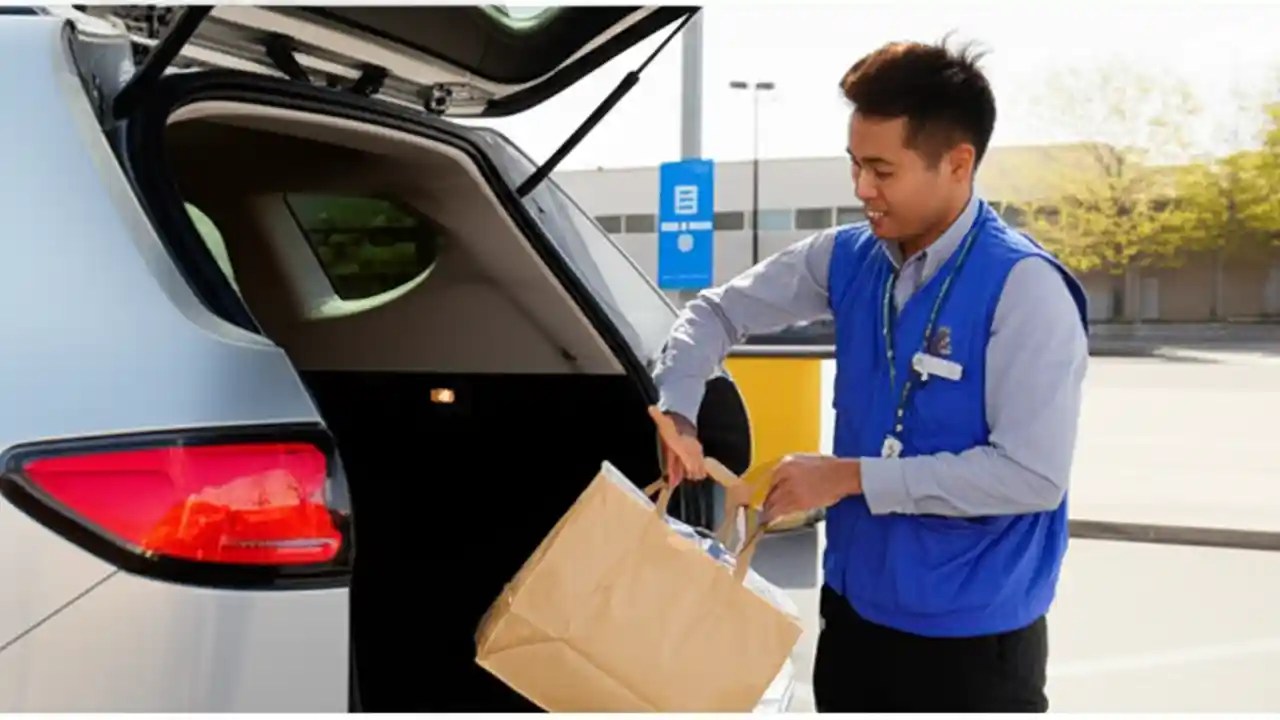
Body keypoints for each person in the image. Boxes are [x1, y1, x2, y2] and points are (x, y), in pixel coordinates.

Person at [652, 37, 1089, 713]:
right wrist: (678, 409)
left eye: (882, 171)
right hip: (853, 623)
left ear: (957, 163)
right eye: (855, 165)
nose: (861, 189)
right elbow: (712, 313)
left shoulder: (1024, 288)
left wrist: (850, 476)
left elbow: (1032, 474)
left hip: (971, 649)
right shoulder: (849, 257)